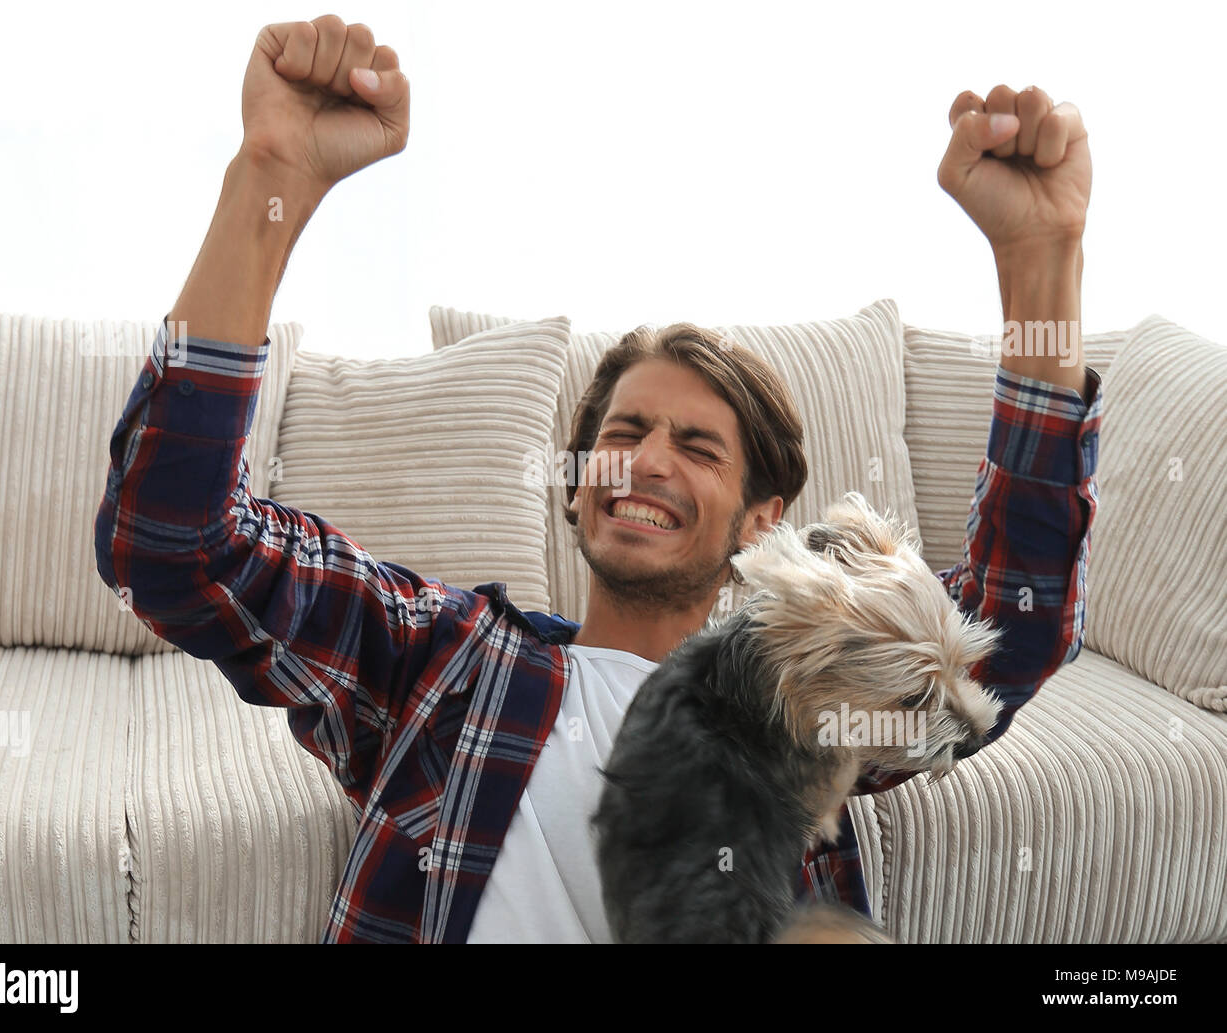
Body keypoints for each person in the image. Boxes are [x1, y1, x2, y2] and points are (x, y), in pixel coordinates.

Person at [95, 14, 1103, 943]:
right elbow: (173, 543)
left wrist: (1039, 258)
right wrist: (272, 176)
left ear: (762, 523)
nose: (648, 459)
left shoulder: (794, 704)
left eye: (698, 447)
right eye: (624, 430)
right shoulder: (439, 658)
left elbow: (998, 639)